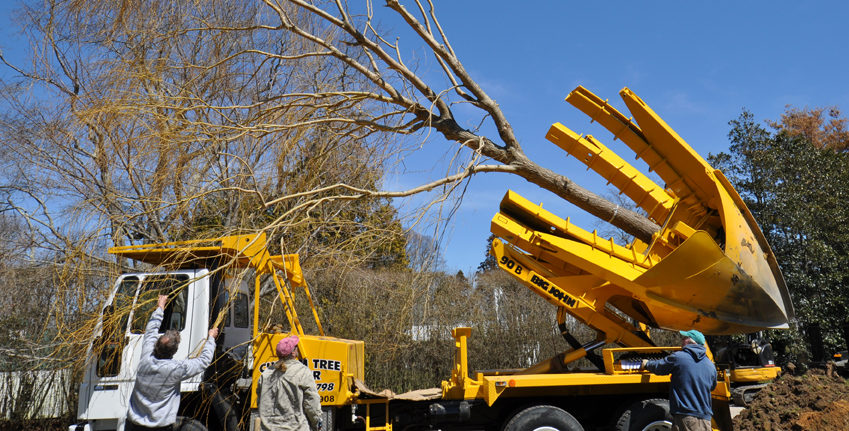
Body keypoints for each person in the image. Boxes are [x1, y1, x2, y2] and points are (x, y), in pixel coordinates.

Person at [127, 295, 218, 431]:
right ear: (174, 351)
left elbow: (150, 331)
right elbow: (203, 361)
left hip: (134, 425)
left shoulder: (146, 358)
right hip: (159, 427)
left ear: (156, 344)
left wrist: (160, 307)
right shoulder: (174, 370)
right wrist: (211, 338)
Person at [641, 329, 717, 431]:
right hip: (706, 420)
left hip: (687, 417)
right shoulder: (710, 365)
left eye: (684, 338)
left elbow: (659, 367)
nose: (682, 340)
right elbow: (712, 386)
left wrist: (647, 364)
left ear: (692, 342)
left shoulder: (679, 357)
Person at [257, 335, 323, 431]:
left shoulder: (266, 373)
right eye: (296, 346)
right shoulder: (303, 372)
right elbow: (312, 402)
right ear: (293, 352)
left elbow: (260, 402)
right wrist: (316, 422)